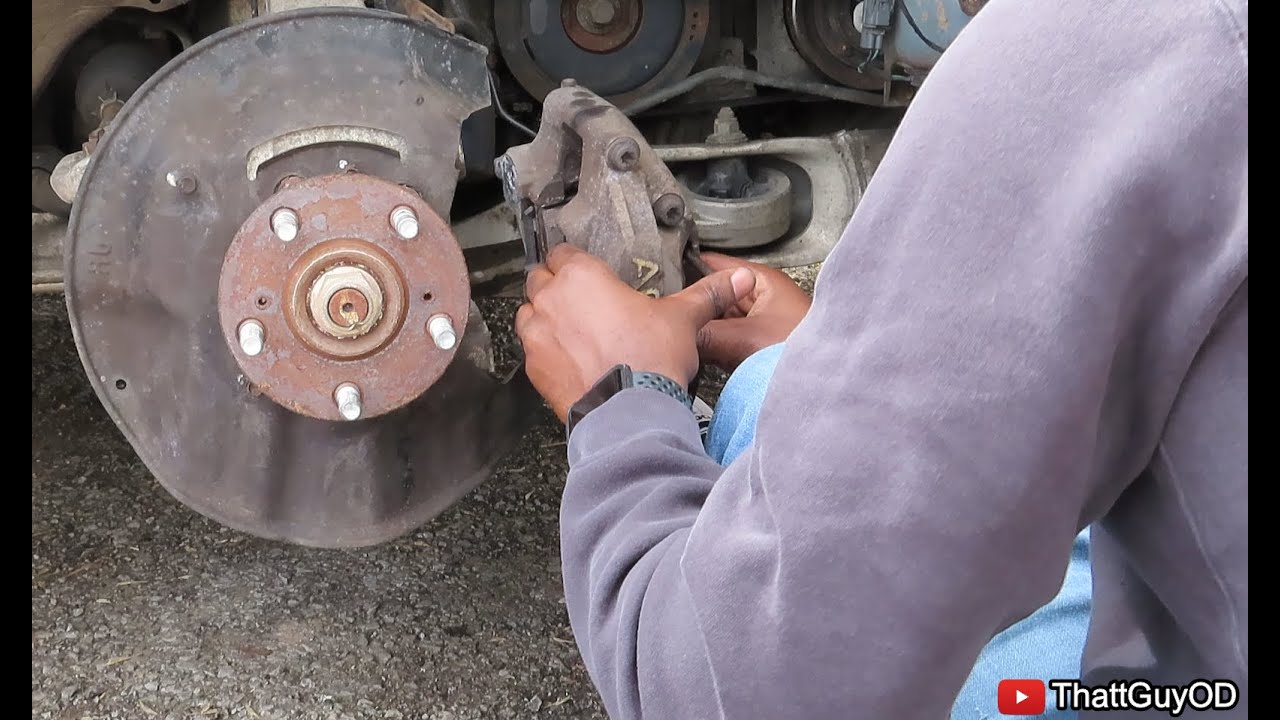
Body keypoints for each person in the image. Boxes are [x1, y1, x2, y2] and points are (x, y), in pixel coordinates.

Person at [513, 0, 1249, 717]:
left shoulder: (1129, 45)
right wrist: (838, 364)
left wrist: (620, 404)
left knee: (765, 406)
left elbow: (731, 691)